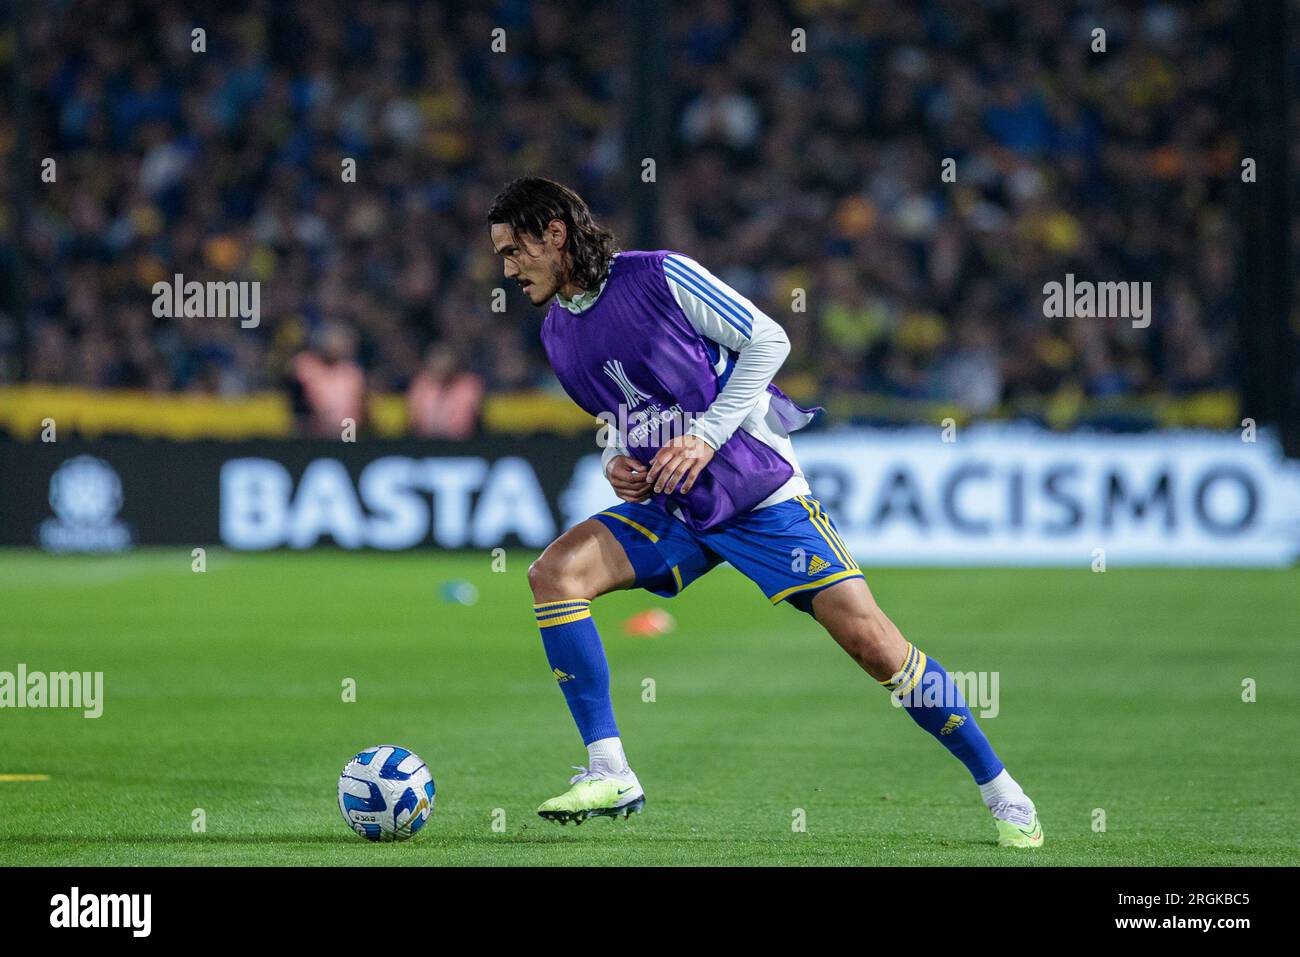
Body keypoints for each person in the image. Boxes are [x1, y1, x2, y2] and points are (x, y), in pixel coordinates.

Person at [487, 177, 1042, 847]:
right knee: (555, 574)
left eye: (514, 250)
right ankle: (611, 769)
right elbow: (616, 413)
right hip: (674, 502)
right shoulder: (556, 332)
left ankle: (1002, 789)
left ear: (554, 233)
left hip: (756, 488)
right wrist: (615, 460)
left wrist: (705, 435)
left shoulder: (661, 275)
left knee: (875, 645)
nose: (508, 269)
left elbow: (769, 340)